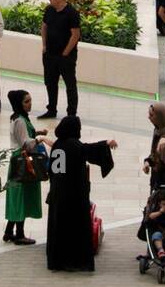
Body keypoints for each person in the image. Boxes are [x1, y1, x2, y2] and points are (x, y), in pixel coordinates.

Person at [46, 116, 116, 272]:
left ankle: (57, 261)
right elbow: (89, 150)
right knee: (75, 227)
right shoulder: (73, 145)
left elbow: (52, 170)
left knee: (59, 227)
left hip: (58, 194)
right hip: (74, 195)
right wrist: (106, 144)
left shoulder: (58, 145)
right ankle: (76, 261)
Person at [4, 90, 50, 244]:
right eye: (26, 101)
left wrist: (36, 132)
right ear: (19, 103)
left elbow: (22, 135)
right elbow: (25, 143)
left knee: (16, 197)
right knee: (21, 196)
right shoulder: (20, 121)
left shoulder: (18, 118)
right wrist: (39, 139)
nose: (30, 104)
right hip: (22, 161)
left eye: (30, 100)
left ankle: (9, 231)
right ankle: (19, 235)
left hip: (17, 160)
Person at [40, 0, 81, 119]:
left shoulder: (71, 13)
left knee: (70, 84)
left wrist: (65, 54)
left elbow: (75, 35)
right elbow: (44, 27)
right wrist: (44, 45)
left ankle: (71, 113)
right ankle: (51, 109)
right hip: (50, 55)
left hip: (65, 57)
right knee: (50, 82)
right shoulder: (49, 10)